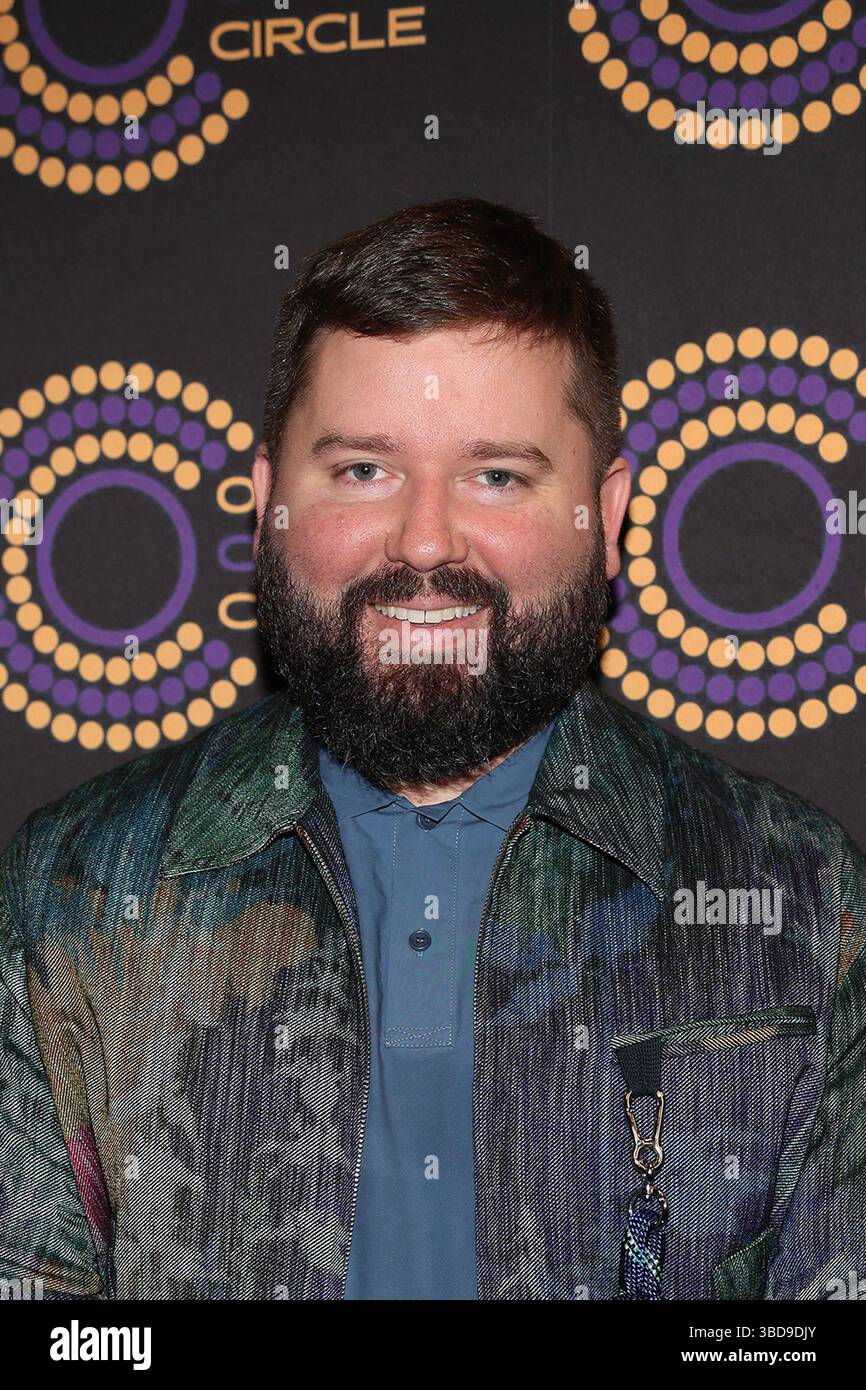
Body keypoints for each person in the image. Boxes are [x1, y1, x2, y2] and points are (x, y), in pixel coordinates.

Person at [1, 197, 863, 1301]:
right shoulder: (70, 890)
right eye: (363, 469)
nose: (421, 539)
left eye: (496, 474)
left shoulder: (801, 899)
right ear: (265, 505)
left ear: (601, 514)